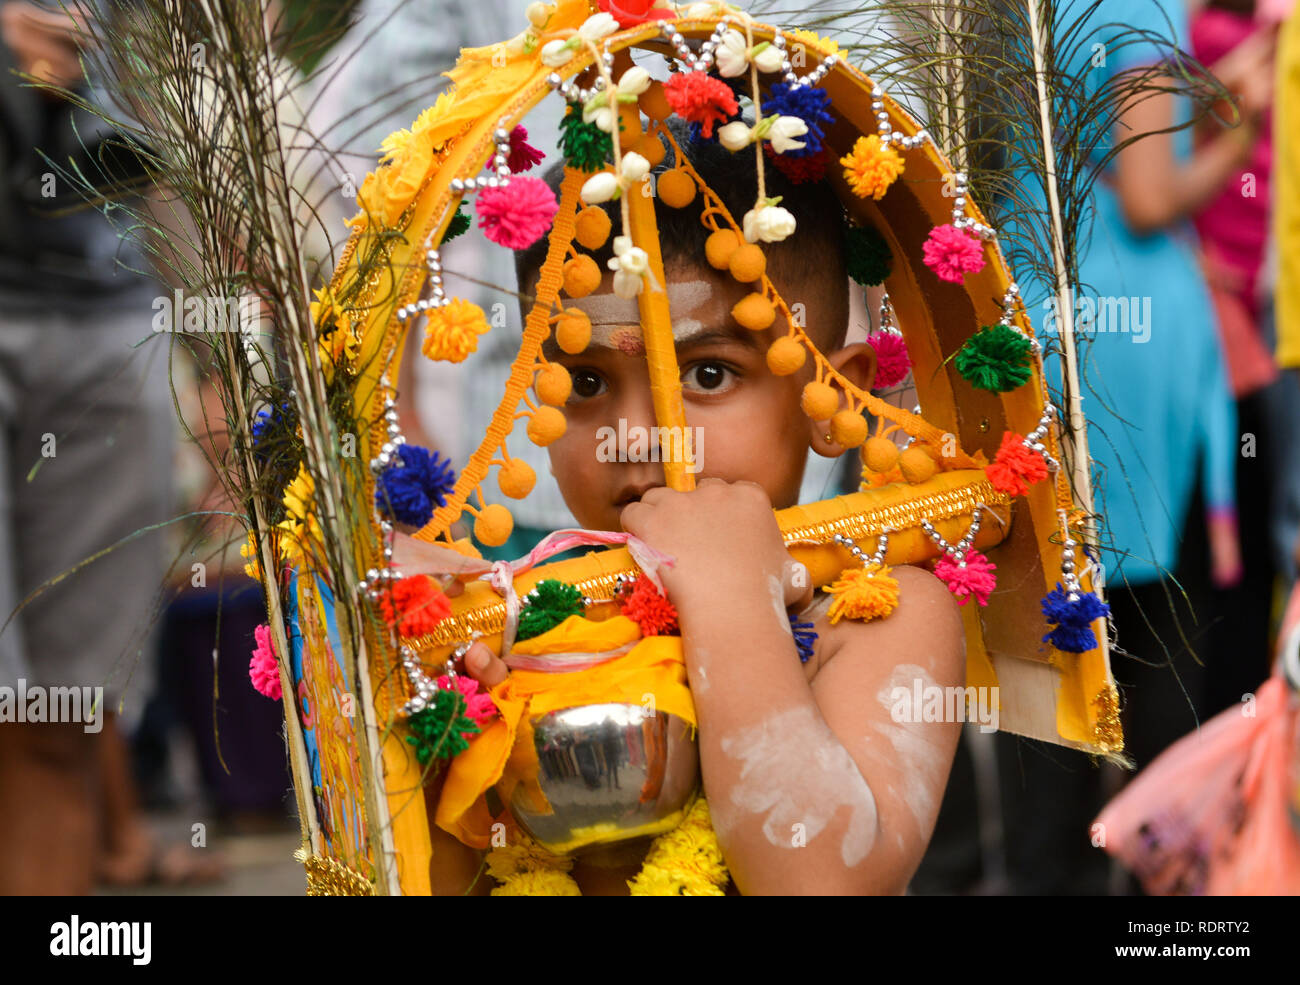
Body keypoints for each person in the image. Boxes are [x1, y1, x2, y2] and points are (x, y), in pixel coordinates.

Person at [416, 120, 967, 896]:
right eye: (583, 383)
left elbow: (819, 883)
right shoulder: (525, 617)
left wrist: (733, 596)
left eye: (708, 375)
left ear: (833, 396)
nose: (633, 439)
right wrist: (433, 707)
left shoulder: (879, 614)